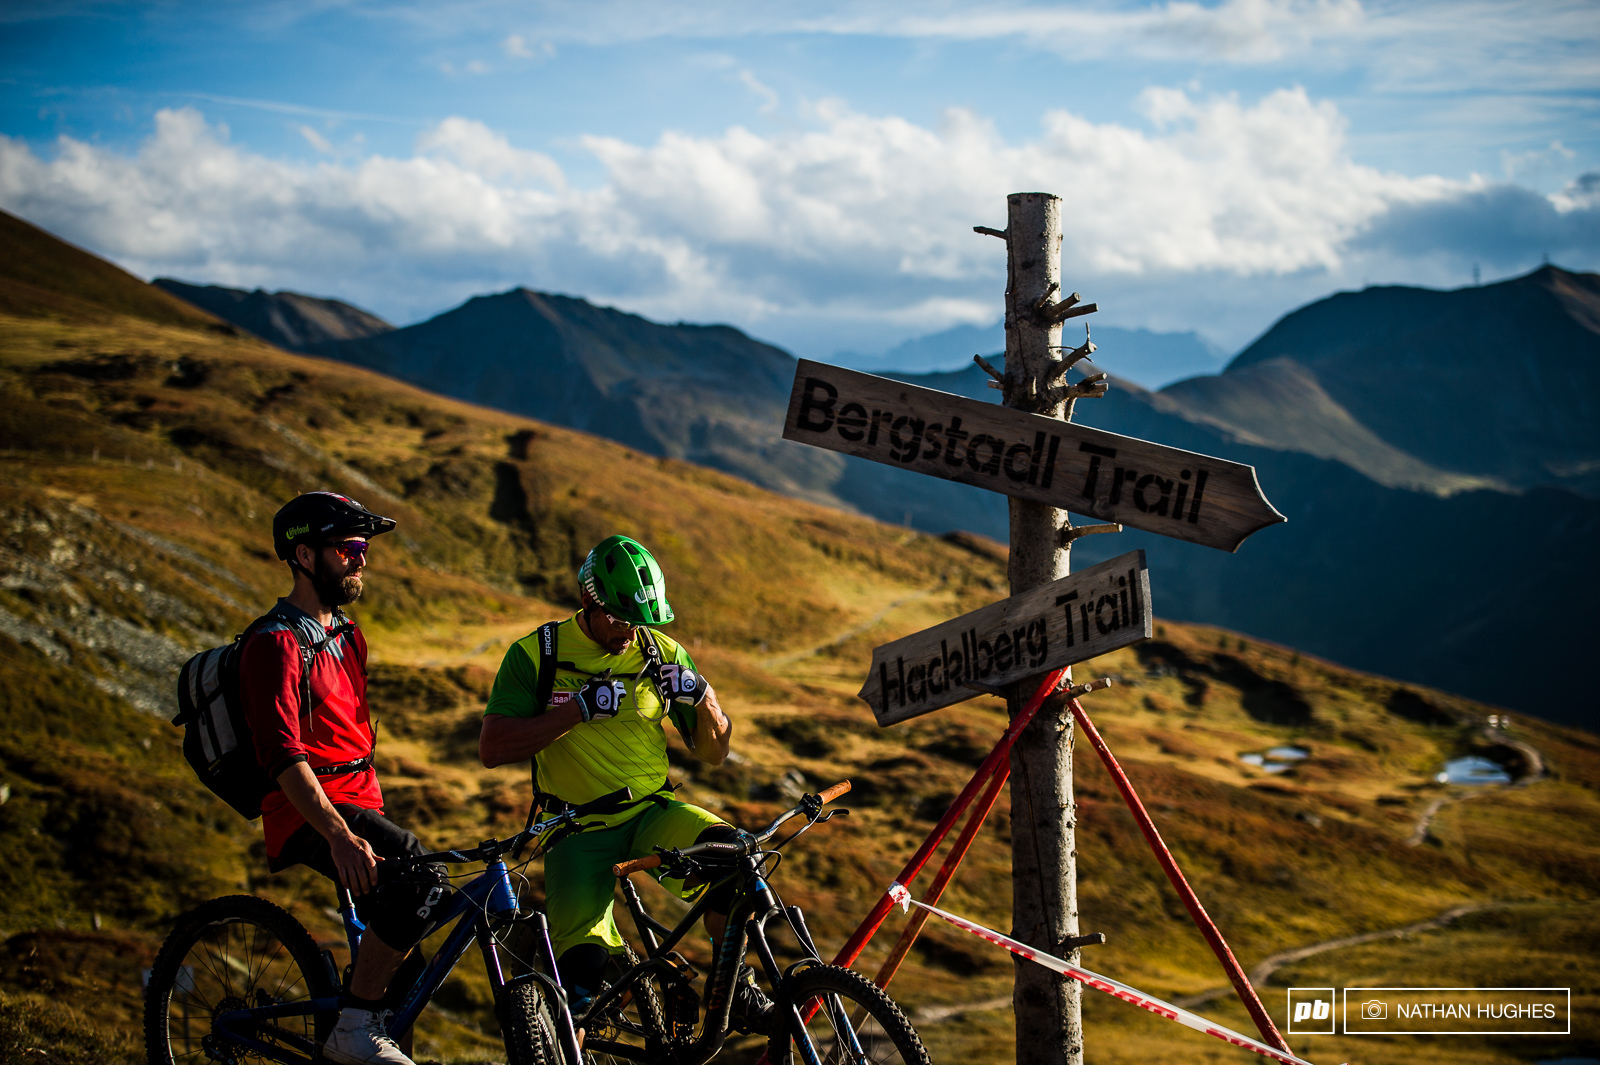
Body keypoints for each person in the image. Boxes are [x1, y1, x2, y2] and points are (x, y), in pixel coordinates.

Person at [479, 535, 772, 1032]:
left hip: (651, 814)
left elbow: (714, 753)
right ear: (588, 601)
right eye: (617, 618)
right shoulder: (536, 655)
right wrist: (578, 710)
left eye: (639, 621)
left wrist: (704, 697)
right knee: (579, 983)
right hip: (574, 830)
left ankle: (733, 990)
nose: (628, 633)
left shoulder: (661, 653)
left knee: (735, 858)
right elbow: (493, 749)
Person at [241, 492, 448, 1065]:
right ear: (304, 556)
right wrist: (339, 835)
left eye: (364, 549)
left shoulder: (348, 635)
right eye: (348, 548)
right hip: (306, 812)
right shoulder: (273, 642)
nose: (361, 560)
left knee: (424, 914)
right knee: (417, 875)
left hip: (357, 804)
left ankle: (365, 1027)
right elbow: (282, 756)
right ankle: (352, 1027)